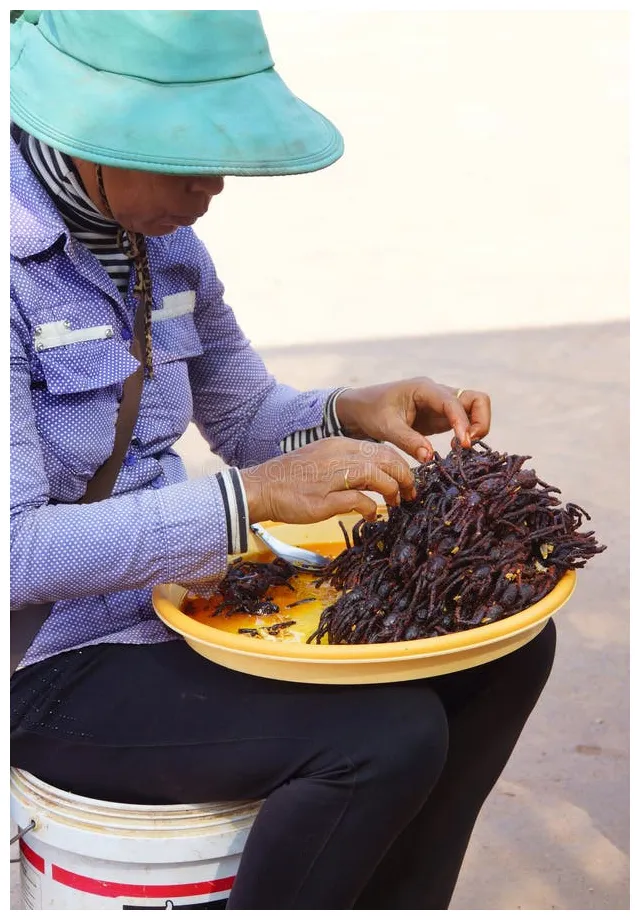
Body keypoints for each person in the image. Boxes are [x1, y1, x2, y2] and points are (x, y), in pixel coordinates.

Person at [10, 11, 556, 910]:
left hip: (179, 605)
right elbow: (17, 551)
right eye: (186, 160)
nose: (214, 185)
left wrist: (358, 411)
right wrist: (252, 499)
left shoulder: (168, 248)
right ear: (88, 137)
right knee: (384, 739)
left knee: (504, 658)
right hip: (47, 660)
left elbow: (248, 414)